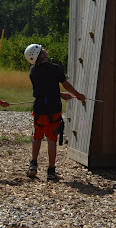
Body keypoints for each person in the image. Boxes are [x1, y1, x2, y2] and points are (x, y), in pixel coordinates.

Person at [24, 43, 86, 181]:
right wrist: (77, 94)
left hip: (39, 109)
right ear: (40, 54)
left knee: (37, 136)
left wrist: (61, 94)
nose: (45, 50)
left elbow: (46, 89)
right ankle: (51, 171)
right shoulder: (55, 69)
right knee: (52, 139)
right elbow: (65, 84)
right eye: (42, 49)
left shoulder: (33, 71)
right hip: (53, 110)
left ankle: (33, 165)